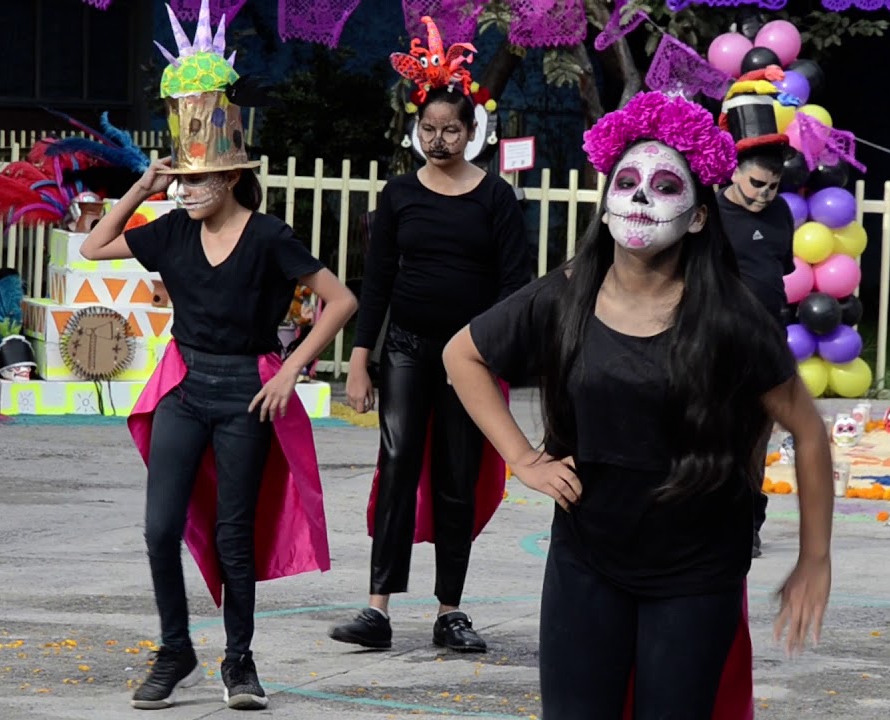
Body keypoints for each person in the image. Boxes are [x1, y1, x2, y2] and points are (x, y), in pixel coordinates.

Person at [442, 90, 833, 717]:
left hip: (697, 572)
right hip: (587, 561)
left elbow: (810, 436)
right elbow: (462, 355)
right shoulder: (564, 294)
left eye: (663, 183)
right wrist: (522, 457)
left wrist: (815, 559)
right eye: (627, 181)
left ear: (700, 216)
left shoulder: (732, 318)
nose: (642, 197)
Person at [80, 1, 359, 710]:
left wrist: (293, 370)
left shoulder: (268, 236)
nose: (186, 190)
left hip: (247, 394)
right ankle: (176, 650)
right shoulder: (170, 228)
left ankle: (240, 662)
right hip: (186, 386)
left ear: (232, 177)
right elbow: (94, 246)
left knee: (236, 537)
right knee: (159, 528)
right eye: (181, 180)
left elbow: (342, 299)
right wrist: (144, 185)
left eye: (197, 181)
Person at [329, 18, 531, 654]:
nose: (439, 138)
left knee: (457, 477)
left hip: (468, 360)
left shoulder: (496, 198)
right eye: (429, 128)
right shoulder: (397, 196)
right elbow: (378, 281)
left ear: (472, 134)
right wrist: (359, 362)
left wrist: (493, 355)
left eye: (452, 129)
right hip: (408, 351)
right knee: (396, 467)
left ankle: (450, 611)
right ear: (416, 130)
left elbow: (515, 285)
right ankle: (377, 609)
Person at [716, 68, 799, 559]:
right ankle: (710, 517)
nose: (764, 194)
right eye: (757, 184)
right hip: (719, 339)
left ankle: (748, 522)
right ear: (734, 168)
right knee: (713, 432)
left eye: (773, 186)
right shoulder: (708, 212)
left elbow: (777, 269)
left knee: (754, 440)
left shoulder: (780, 214)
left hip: (767, 341)